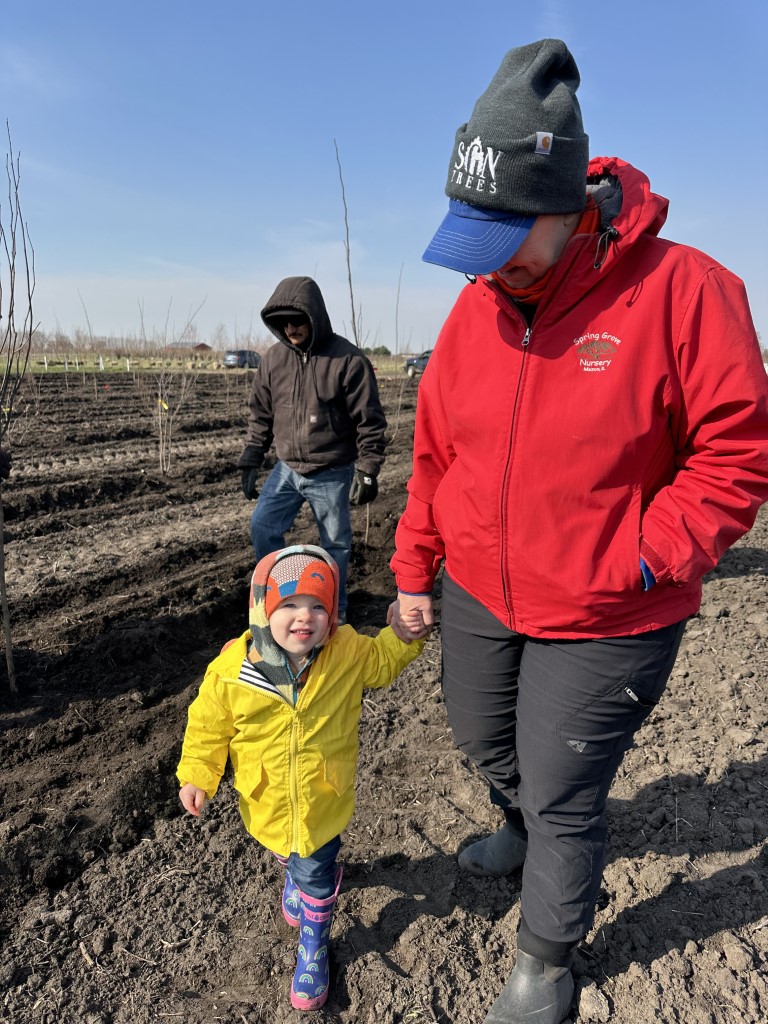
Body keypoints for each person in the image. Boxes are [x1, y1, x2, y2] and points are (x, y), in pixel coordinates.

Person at [387, 39, 768, 1024]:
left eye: (503, 235)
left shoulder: (689, 292)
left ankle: (547, 956)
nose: (485, 265)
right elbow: (437, 456)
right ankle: (517, 823)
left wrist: (644, 553)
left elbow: (735, 459)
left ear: (566, 204)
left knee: (565, 787)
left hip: (609, 607)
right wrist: (416, 565)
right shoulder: (477, 312)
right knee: (482, 738)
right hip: (479, 585)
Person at [177, 544, 423, 1012]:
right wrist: (197, 776)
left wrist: (407, 635)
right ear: (262, 610)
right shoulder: (233, 670)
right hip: (264, 800)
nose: (303, 617)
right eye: (288, 606)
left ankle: (313, 945)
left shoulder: (347, 653)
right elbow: (208, 726)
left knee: (314, 869)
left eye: (317, 607)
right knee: (285, 849)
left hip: (321, 802)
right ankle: (297, 874)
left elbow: (384, 662)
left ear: (332, 616)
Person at [237, 276, 387, 625]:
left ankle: (335, 610)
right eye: (283, 322)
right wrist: (251, 459)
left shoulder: (347, 360)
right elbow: (260, 414)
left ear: (315, 316)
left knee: (335, 544)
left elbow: (370, 420)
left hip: (332, 470)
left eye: (298, 319)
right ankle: (280, 597)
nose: (290, 328)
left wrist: (367, 469)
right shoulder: (273, 361)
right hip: (287, 468)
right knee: (262, 526)